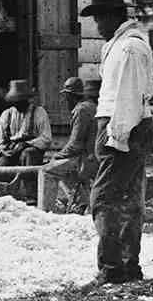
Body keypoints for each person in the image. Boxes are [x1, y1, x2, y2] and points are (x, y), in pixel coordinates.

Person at [83, 0, 153, 285]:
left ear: (115, 16)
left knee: (103, 199)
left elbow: (128, 97)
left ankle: (112, 267)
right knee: (127, 199)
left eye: (100, 18)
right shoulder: (119, 44)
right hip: (120, 126)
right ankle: (128, 266)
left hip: (122, 127)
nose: (97, 25)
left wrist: (118, 136)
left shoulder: (129, 48)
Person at [42, 76, 101, 213]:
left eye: (66, 97)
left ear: (71, 96)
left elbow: (75, 145)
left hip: (89, 158)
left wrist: (57, 156)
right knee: (65, 167)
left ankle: (46, 210)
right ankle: (80, 203)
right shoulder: (92, 107)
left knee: (48, 170)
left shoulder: (81, 110)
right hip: (94, 155)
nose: (65, 101)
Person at [0, 78, 53, 200]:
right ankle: (7, 196)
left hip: (31, 148)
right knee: (2, 164)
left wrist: (27, 144)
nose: (18, 104)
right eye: (15, 101)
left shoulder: (39, 112)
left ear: (27, 99)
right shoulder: (7, 114)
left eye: (21, 101)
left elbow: (46, 138)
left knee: (28, 155)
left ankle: (31, 196)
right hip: (11, 149)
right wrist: (4, 150)